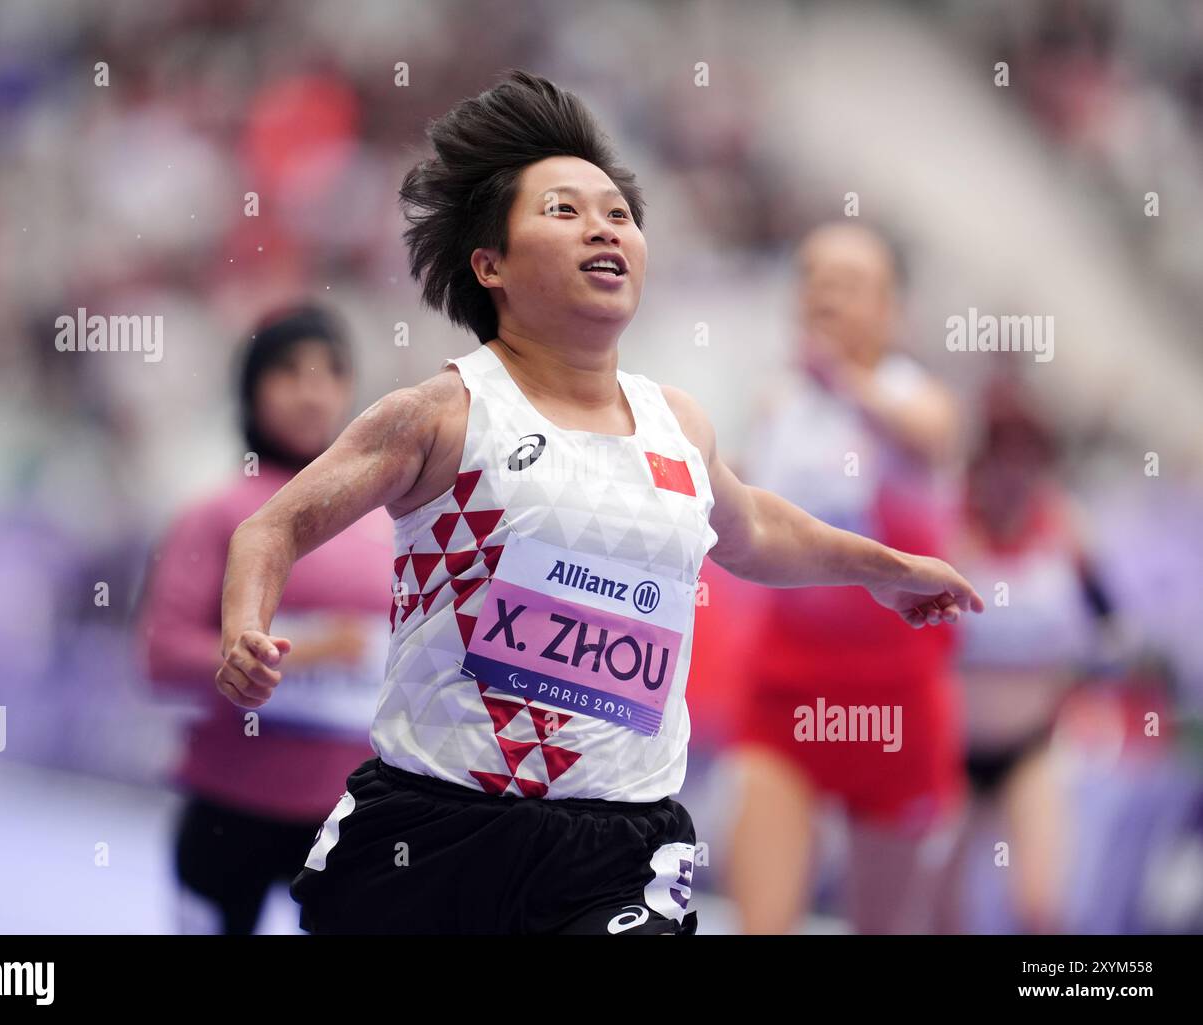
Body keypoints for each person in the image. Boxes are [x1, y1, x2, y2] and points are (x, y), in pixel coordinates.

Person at [212, 70, 983, 936]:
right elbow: (272, 526)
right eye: (565, 212)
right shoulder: (443, 413)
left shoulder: (677, 424)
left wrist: (881, 569)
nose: (604, 228)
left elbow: (755, 527)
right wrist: (246, 628)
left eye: (618, 213)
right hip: (434, 832)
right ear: (490, 264)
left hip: (619, 848)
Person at [724, 222, 966, 934]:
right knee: (762, 923)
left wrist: (846, 381)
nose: (827, 295)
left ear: (891, 312)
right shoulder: (779, 406)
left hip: (894, 703)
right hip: (787, 691)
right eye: (815, 280)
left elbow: (934, 438)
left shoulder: (914, 398)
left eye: (850, 284)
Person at [137, 304, 393, 935]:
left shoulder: (388, 521)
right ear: (251, 388)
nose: (312, 393)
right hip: (229, 812)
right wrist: (288, 655)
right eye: (289, 372)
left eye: (330, 373)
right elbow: (162, 657)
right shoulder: (216, 514)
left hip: (349, 820)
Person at [940, 377, 1114, 933]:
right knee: (942, 910)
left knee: (1041, 907)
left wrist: (1075, 683)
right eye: (1003, 464)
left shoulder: (1068, 531)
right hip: (951, 750)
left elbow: (1113, 628)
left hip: (1029, 746)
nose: (1016, 481)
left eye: (1029, 466)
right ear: (980, 466)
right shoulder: (947, 532)